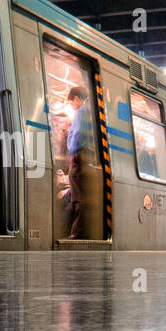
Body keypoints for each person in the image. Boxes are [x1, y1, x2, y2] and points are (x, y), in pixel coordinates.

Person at [65, 86, 93, 239]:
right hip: (83, 158)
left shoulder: (81, 111)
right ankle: (78, 230)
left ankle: (77, 231)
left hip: (78, 158)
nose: (72, 106)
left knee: (77, 196)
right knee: (79, 195)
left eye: (71, 102)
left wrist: (72, 151)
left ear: (76, 98)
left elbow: (77, 135)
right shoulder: (89, 111)